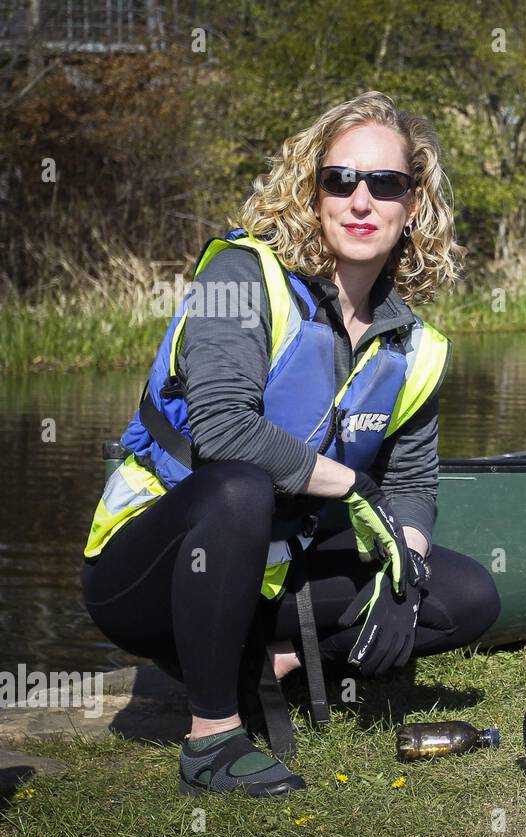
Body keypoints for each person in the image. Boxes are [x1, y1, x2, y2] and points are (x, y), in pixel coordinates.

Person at [81, 92, 500, 795]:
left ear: (413, 204)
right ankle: (211, 741)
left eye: (385, 184)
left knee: (466, 594)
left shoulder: (417, 345)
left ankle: (270, 661)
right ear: (313, 192)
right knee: (241, 485)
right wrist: (351, 485)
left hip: (273, 574)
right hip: (151, 568)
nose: (361, 200)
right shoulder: (240, 277)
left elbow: (415, 485)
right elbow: (221, 433)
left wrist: (407, 566)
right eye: (341, 180)